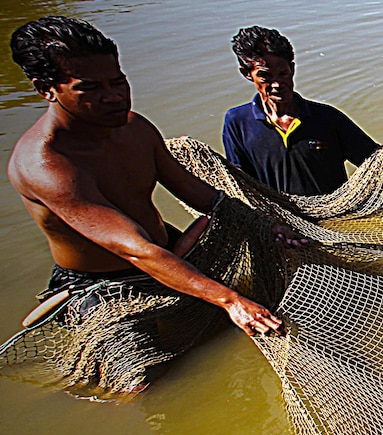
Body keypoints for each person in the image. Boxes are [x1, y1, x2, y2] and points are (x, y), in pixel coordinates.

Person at [8, 16, 296, 337]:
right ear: (45, 89)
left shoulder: (135, 127)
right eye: (89, 88)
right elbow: (135, 249)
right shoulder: (45, 164)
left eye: (118, 82)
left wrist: (263, 224)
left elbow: (196, 192)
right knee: (137, 383)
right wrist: (230, 300)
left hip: (172, 250)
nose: (114, 97)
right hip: (108, 284)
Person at [222, 26, 380, 196]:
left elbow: (375, 159)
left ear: (292, 69)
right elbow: (240, 183)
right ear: (247, 74)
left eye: (283, 73)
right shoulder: (237, 123)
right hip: (276, 221)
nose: (276, 84)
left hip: (335, 218)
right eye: (265, 76)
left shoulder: (327, 118)